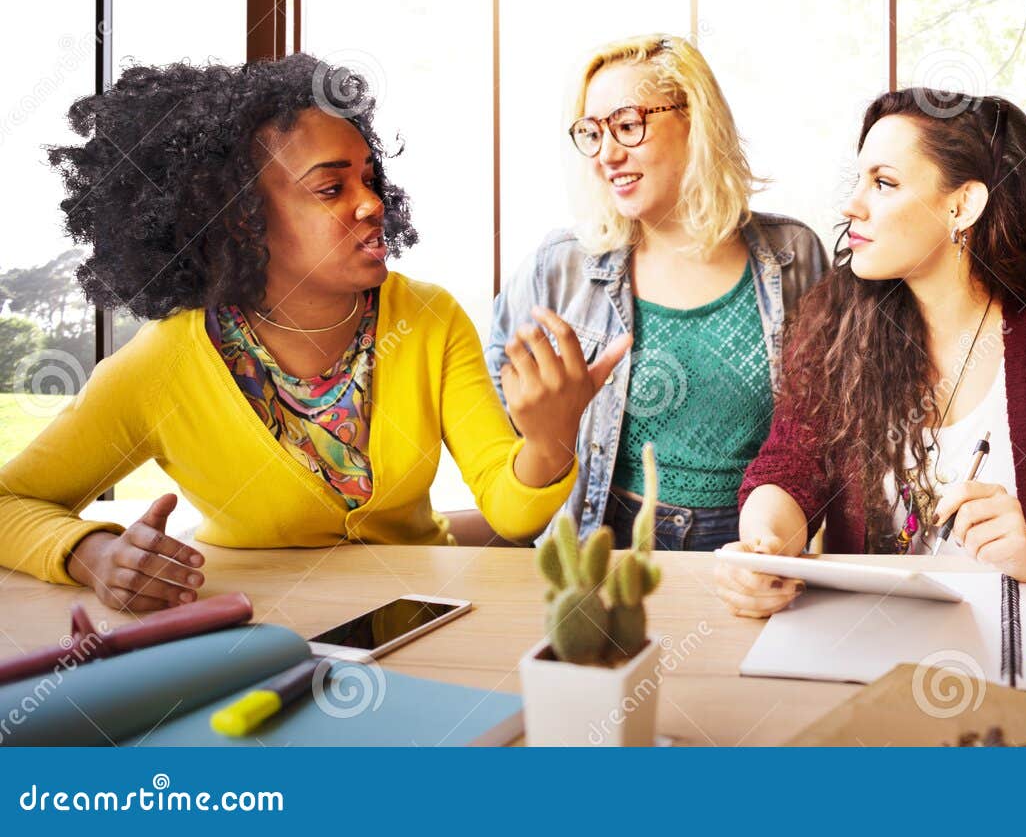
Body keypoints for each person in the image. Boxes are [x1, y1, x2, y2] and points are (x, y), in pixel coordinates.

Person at [0, 56, 616, 611]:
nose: (371, 203)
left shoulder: (428, 318)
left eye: (369, 178)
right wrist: (93, 556)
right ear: (241, 220)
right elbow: (9, 503)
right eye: (331, 188)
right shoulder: (165, 364)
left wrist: (549, 441)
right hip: (253, 637)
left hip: (422, 618)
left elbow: (509, 509)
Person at [716, 89, 1026, 617]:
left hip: (1023, 626)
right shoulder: (835, 312)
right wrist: (764, 548)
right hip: (873, 630)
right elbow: (789, 470)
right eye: (859, 180)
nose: (851, 205)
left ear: (962, 205)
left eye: (883, 183)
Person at [488, 35, 825, 551]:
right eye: (592, 133)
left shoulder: (793, 255)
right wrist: (545, 435)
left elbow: (824, 428)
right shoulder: (559, 265)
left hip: (750, 542)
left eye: (627, 126)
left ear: (696, 122)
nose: (607, 154)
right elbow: (495, 416)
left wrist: (777, 543)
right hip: (601, 541)